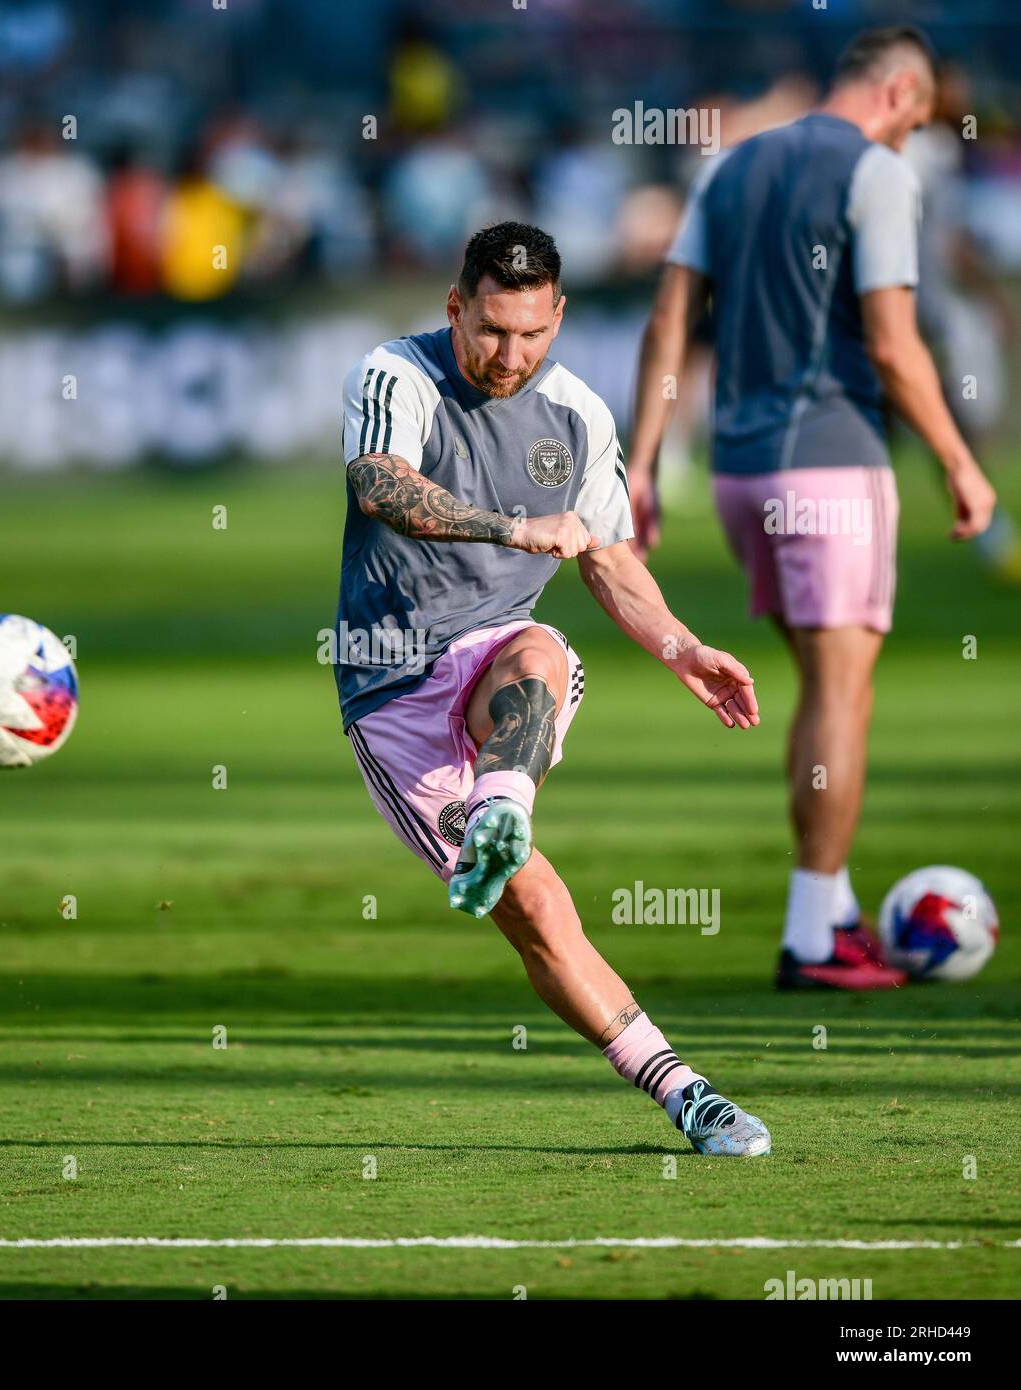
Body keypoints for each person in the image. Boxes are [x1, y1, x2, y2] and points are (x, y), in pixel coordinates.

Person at [335, 221, 769, 1157]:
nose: (509, 354)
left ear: (559, 316)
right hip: (393, 688)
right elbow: (380, 483)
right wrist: (512, 529)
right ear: (457, 305)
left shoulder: (577, 412)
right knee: (535, 912)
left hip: (496, 651)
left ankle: (503, 806)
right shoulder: (395, 375)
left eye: (532, 333)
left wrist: (681, 647)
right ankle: (669, 1079)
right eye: (491, 329)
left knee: (537, 647)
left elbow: (609, 556)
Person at [627, 25, 996, 991]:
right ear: (902, 92)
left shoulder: (735, 166)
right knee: (843, 693)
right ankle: (811, 936)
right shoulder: (876, 176)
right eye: (919, 117)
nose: (916, 136)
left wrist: (644, 460)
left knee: (821, 684)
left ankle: (828, 912)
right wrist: (961, 461)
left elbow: (670, 318)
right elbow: (894, 343)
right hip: (830, 467)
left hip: (740, 472)